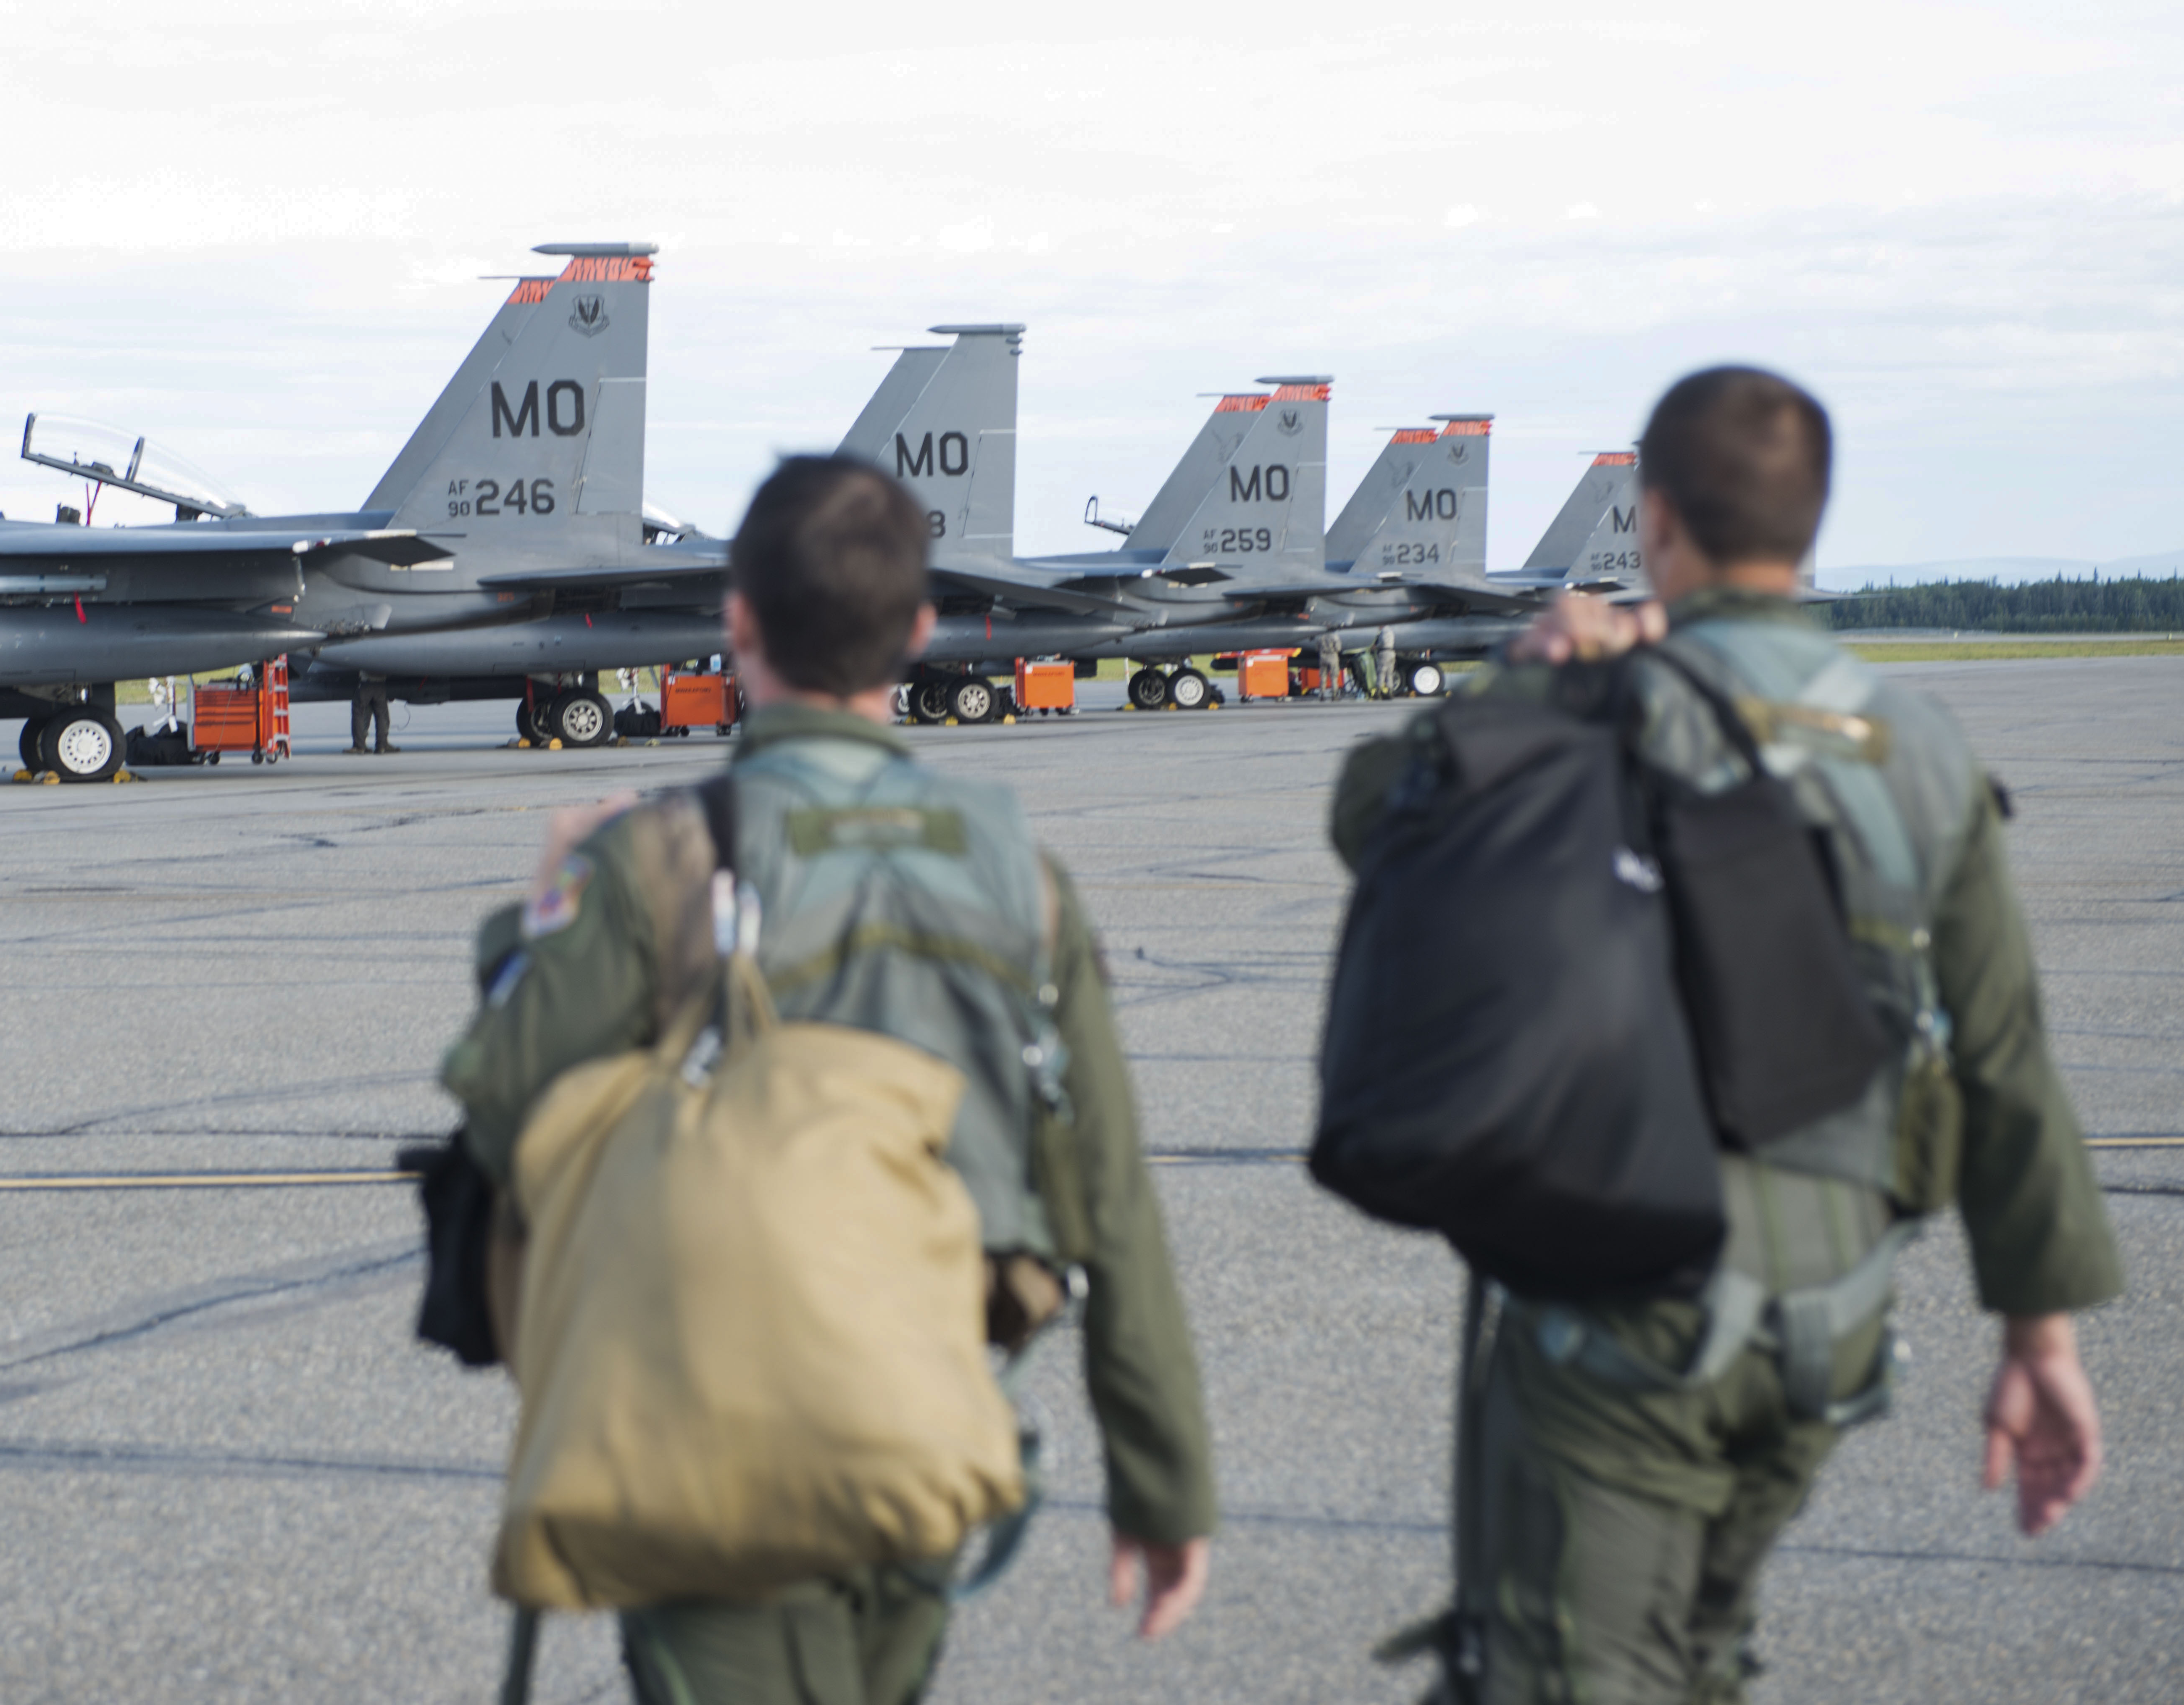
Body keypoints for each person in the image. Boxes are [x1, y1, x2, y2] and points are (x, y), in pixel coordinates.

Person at [1329, 367, 2121, 1703]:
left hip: (1629, 1318)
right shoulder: (1916, 742)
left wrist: (1523, 681)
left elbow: (1375, 813)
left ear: (1655, 522)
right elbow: (2002, 1053)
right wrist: (2041, 1339)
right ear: (1807, 526)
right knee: (1696, 1653)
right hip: (1829, 1331)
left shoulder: (1595, 702)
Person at [440, 456, 1215, 1704]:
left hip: (720, 1420)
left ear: (736, 621)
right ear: (919, 630)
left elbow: (497, 1088)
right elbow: (1109, 1201)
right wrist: (1164, 1484)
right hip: (932, 1423)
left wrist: (543, 908)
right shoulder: (1024, 877)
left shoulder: (659, 859)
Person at [348, 671, 395, 755]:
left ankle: (359, 746)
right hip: (381, 685)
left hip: (366, 684)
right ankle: (382, 745)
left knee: (359, 712)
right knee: (382, 715)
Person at [1318, 628, 1345, 702]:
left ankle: (1322, 694)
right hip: (1333, 657)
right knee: (1334, 677)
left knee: (1323, 677)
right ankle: (1334, 695)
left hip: (1323, 657)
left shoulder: (1321, 637)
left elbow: (1317, 648)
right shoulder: (1335, 637)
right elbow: (1338, 648)